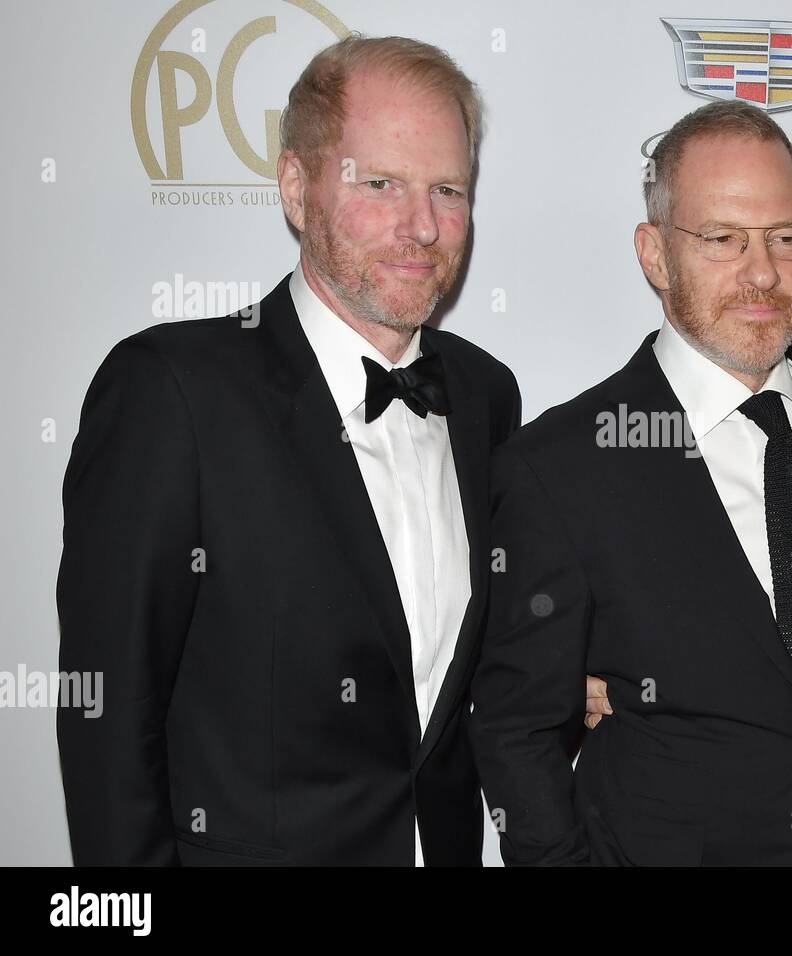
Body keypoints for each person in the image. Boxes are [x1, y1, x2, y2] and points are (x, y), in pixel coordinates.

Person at [56, 35, 519, 865]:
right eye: (380, 184)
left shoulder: (486, 396)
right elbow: (106, 720)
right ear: (298, 189)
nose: (423, 226)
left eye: (448, 189)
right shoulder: (171, 392)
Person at [469, 101, 792, 866]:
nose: (763, 272)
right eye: (722, 239)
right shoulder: (561, 466)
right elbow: (516, 732)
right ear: (654, 254)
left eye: (785, 238)